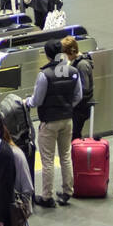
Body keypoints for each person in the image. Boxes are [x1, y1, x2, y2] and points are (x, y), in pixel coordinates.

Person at [27, 39, 79, 208]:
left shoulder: (45, 74)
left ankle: (47, 196)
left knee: (47, 160)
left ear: (48, 54)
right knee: (65, 155)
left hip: (49, 121)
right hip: (67, 119)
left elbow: (37, 100)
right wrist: (66, 107)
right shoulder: (72, 71)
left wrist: (27, 102)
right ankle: (67, 192)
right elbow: (77, 96)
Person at [63, 35, 95, 139]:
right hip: (79, 105)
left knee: (74, 134)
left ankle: (77, 153)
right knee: (75, 133)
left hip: (81, 107)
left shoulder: (82, 65)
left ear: (71, 52)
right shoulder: (77, 62)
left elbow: (84, 88)